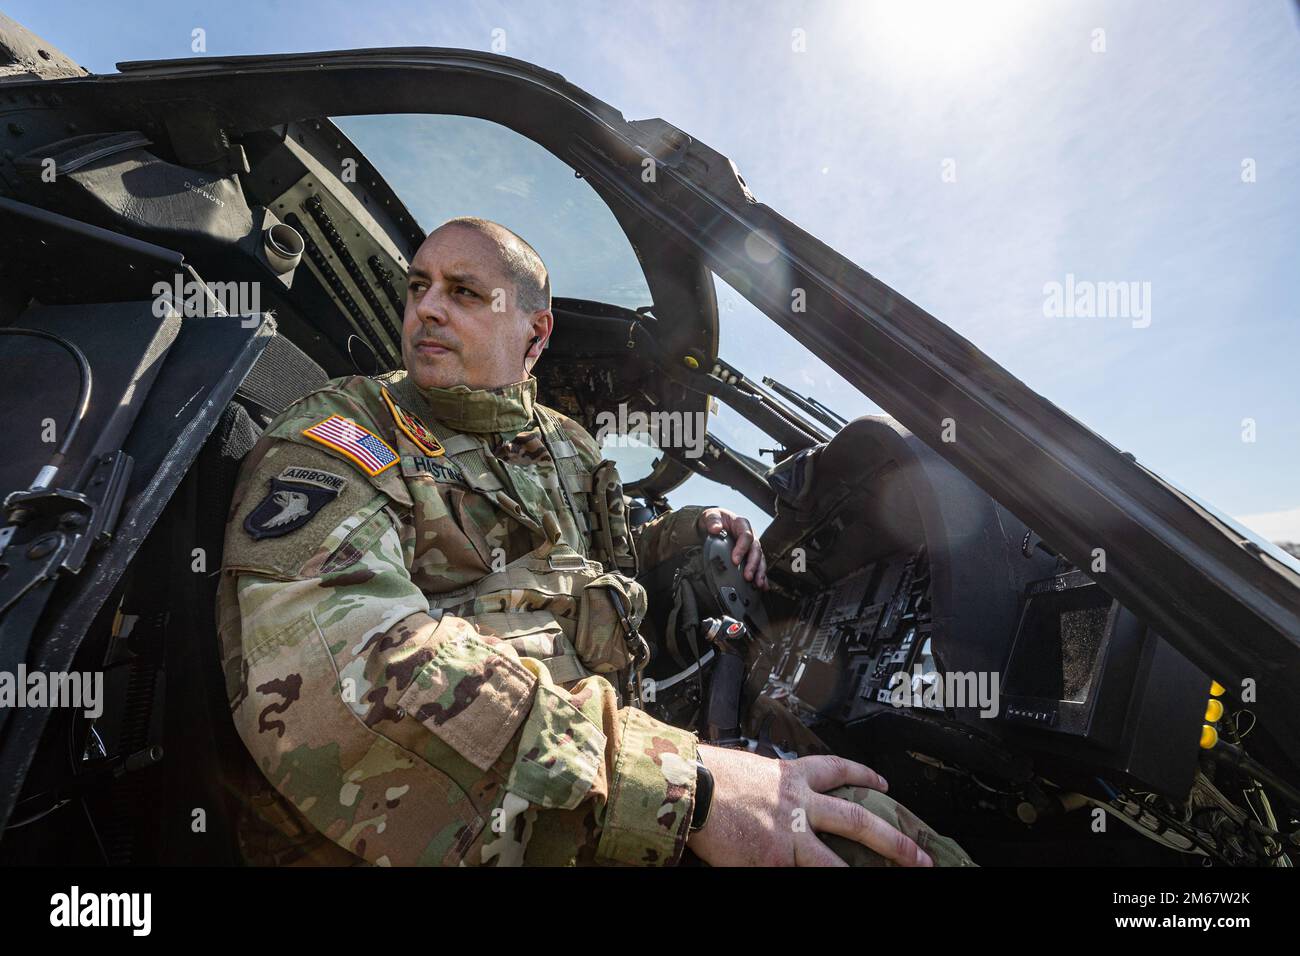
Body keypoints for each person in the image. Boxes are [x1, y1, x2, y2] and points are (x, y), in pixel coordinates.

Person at [216, 216, 973, 867]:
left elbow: (601, 559)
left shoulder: (566, 446)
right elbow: (338, 660)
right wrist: (689, 788)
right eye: (419, 287)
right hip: (439, 820)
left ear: (535, 332)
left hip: (592, 767)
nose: (427, 311)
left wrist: (689, 529)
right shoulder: (349, 428)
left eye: (464, 292)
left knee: (864, 814)